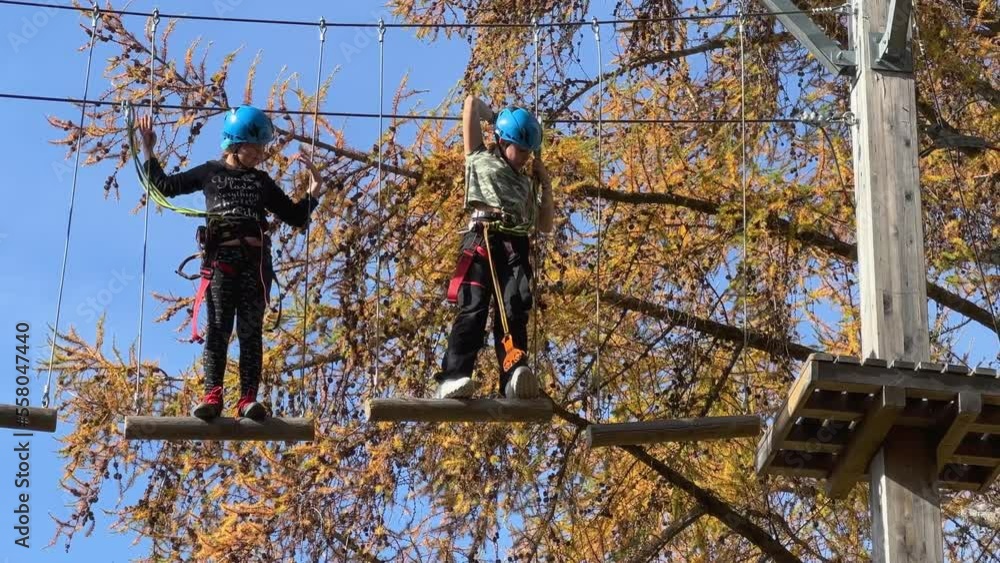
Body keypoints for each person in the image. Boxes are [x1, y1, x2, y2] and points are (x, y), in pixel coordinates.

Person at [136, 105, 324, 420]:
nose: (260, 155)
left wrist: (313, 191)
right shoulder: (210, 172)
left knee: (250, 332)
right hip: (221, 261)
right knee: (218, 329)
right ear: (235, 144)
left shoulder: (262, 182)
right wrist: (148, 149)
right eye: (255, 148)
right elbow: (166, 187)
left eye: (263, 149)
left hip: (254, 265)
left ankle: (248, 399)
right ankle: (213, 396)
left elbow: (294, 217)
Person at [436, 95, 554, 399]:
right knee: (474, 307)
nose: (526, 156)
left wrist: (546, 185)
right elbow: (471, 103)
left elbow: (544, 225)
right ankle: (454, 376)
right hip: (483, 237)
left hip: (515, 246)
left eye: (530, 151)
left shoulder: (527, 184)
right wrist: (497, 117)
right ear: (503, 142)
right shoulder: (478, 156)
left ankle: (513, 374)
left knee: (514, 309)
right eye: (521, 148)